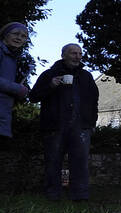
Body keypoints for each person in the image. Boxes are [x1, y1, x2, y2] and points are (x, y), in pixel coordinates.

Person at [29, 43, 99, 201]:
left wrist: (91, 123)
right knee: (53, 162)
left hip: (81, 126)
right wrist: (51, 85)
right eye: (73, 53)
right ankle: (52, 195)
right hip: (55, 126)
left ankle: (80, 197)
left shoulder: (86, 76)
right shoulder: (49, 74)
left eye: (80, 53)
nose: (78, 56)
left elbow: (94, 100)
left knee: (80, 163)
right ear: (63, 55)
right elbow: (33, 96)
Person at [0, 22, 32, 146]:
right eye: (16, 34)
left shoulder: (11, 57)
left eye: (24, 36)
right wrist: (17, 89)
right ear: (5, 35)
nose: (19, 38)